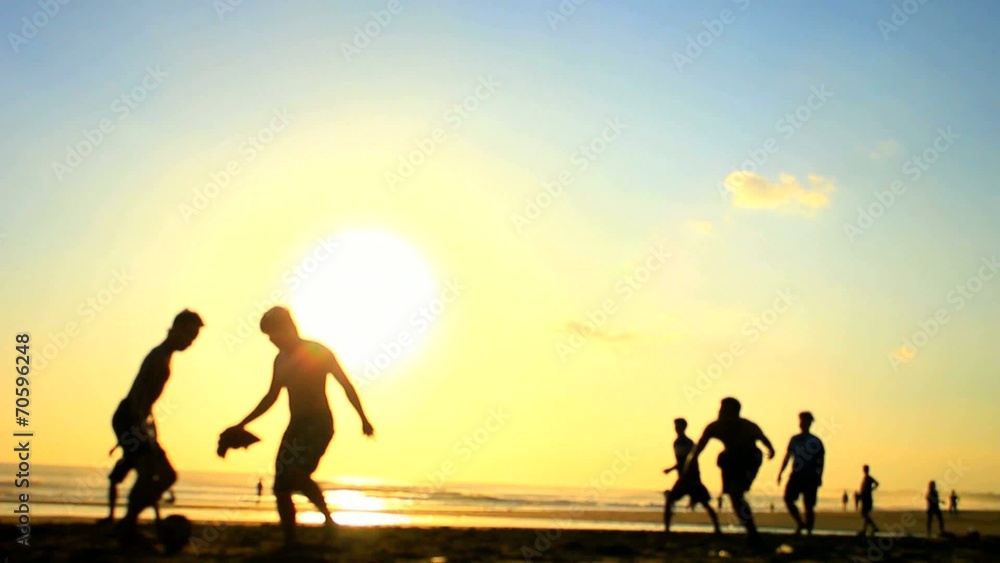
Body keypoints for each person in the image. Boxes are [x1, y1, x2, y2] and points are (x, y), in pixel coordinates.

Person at [224, 306, 374, 547]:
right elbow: (271, 396)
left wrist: (363, 418)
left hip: (320, 424)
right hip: (295, 426)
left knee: (298, 474)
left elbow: (345, 384)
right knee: (281, 485)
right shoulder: (280, 360)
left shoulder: (318, 351)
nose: (272, 341)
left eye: (273, 334)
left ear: (288, 328)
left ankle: (328, 520)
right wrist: (242, 423)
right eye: (268, 337)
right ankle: (290, 540)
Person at [107, 310, 203, 547]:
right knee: (157, 474)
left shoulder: (164, 356)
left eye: (194, 339)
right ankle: (128, 526)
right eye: (189, 336)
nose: (190, 343)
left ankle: (129, 525)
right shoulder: (158, 357)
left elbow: (146, 400)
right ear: (176, 329)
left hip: (136, 420)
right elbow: (139, 396)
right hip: (130, 419)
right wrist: (139, 429)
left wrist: (150, 427)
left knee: (158, 476)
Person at [681, 397, 775, 544]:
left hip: (750, 458)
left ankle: (752, 532)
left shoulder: (747, 426)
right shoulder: (715, 426)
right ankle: (751, 531)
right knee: (733, 491)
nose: (720, 412)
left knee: (736, 492)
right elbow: (699, 448)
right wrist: (689, 464)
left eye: (725, 409)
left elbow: (764, 439)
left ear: (734, 412)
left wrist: (770, 449)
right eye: (721, 408)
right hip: (732, 460)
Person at [662, 418, 721, 534]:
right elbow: (680, 462)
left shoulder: (688, 443)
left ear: (684, 427)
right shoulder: (676, 442)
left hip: (692, 478)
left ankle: (717, 528)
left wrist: (671, 469)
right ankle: (667, 529)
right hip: (682, 478)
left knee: (704, 502)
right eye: (676, 426)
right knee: (670, 500)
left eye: (679, 426)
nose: (677, 429)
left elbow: (688, 461)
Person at [776, 411, 825, 535]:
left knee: (808, 504)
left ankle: (809, 529)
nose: (802, 423)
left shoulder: (815, 441)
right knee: (788, 499)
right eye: (801, 421)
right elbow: (787, 456)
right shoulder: (794, 439)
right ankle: (800, 523)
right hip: (796, 474)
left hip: (810, 475)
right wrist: (781, 472)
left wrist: (820, 476)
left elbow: (821, 459)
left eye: (805, 421)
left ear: (809, 423)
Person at [858, 465, 880, 536]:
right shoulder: (865, 478)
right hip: (865, 498)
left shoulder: (868, 478)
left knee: (864, 514)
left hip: (867, 498)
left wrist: (871, 489)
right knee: (865, 514)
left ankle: (873, 527)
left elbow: (877, 483)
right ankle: (866, 529)